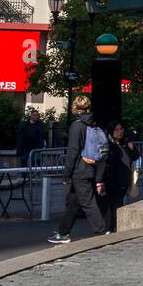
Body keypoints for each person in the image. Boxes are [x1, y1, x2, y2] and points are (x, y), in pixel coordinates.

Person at [48, 96, 109, 244]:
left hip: (79, 170)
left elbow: (73, 151)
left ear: (75, 108)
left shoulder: (77, 125)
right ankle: (63, 232)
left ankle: (102, 231)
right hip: (90, 167)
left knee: (87, 201)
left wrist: (67, 173)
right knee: (73, 202)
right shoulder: (92, 124)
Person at [101, 120, 139, 233]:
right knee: (111, 204)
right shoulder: (108, 144)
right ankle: (110, 227)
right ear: (111, 131)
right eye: (117, 129)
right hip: (111, 178)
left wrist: (132, 148)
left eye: (121, 129)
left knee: (117, 203)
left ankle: (114, 226)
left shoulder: (125, 143)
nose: (120, 132)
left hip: (123, 178)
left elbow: (135, 156)